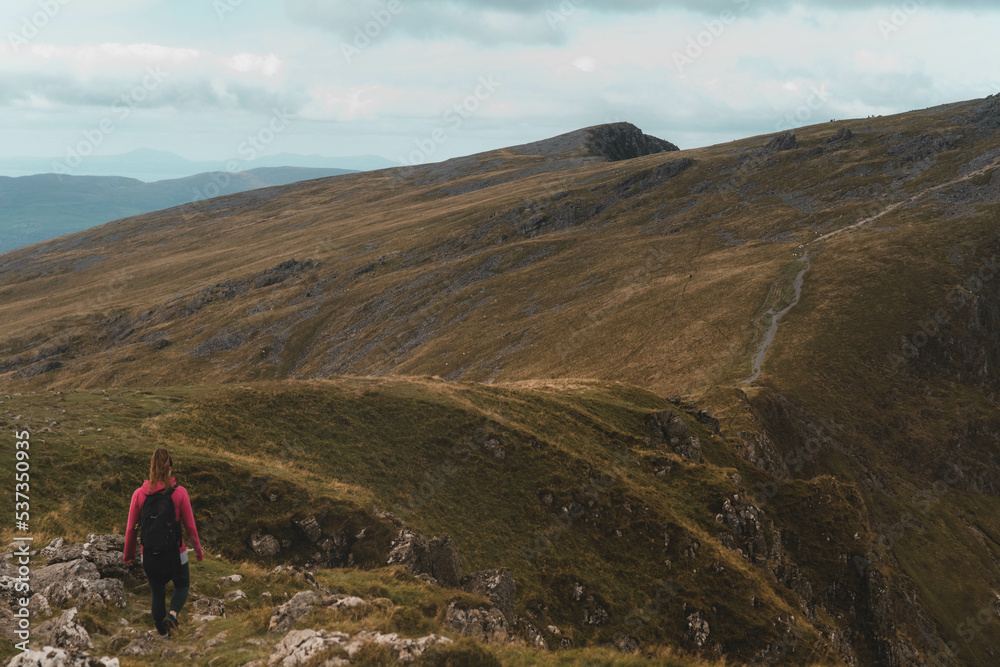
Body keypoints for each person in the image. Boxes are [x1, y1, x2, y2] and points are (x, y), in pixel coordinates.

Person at [123, 448, 204, 638]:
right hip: (176, 553)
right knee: (182, 586)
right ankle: (173, 615)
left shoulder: (139, 495)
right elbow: (190, 527)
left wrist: (128, 556)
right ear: (170, 469)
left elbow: (131, 528)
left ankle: (163, 635)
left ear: (151, 468)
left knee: (157, 593)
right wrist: (198, 551)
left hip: (149, 554)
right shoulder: (179, 493)